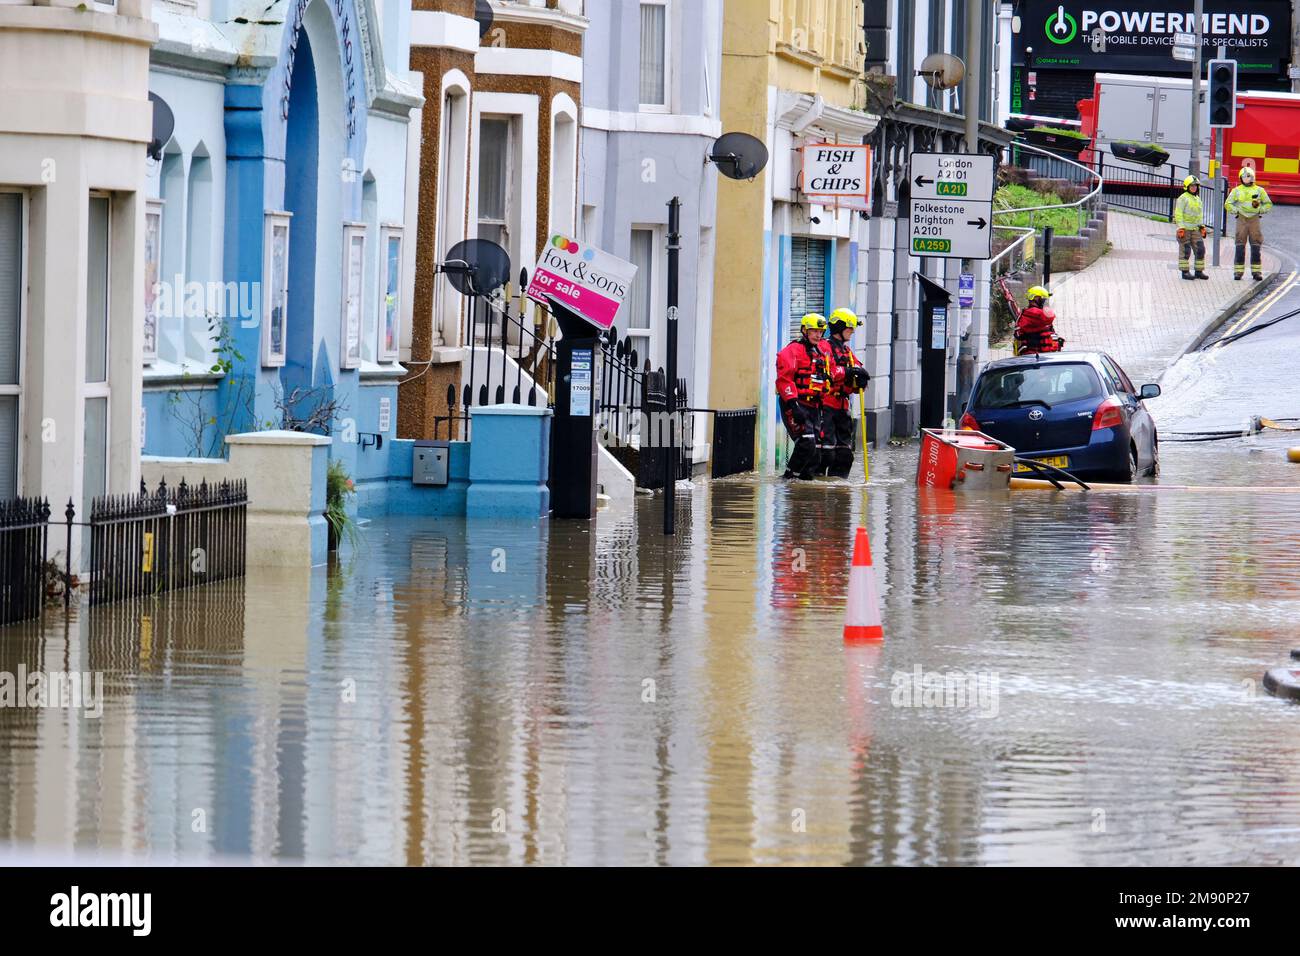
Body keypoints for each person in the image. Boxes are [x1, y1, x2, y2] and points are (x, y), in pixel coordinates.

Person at [775, 313, 841, 479]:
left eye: (821, 331)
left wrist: (851, 374)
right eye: (814, 331)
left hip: (815, 406)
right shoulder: (792, 351)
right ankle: (788, 480)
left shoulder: (823, 351)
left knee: (817, 453)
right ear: (804, 330)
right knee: (807, 443)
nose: (818, 335)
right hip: (795, 405)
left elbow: (832, 372)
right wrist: (793, 405)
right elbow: (784, 380)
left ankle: (804, 490)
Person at [819, 307, 871, 478]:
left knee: (845, 455)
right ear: (839, 327)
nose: (853, 332)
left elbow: (857, 371)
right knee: (826, 454)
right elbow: (830, 373)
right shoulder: (823, 347)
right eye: (850, 328)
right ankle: (816, 492)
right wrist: (848, 372)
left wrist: (861, 379)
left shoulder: (847, 352)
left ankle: (839, 494)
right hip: (825, 405)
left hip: (842, 407)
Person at [1225, 166, 1273, 281]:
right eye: (1246, 177)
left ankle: (1256, 272)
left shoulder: (1259, 190)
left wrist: (1260, 209)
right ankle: (1238, 272)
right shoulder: (1237, 190)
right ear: (1241, 178)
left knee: (1256, 245)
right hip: (1241, 219)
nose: (1248, 178)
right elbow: (1228, 203)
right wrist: (1235, 210)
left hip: (1254, 219)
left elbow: (1268, 204)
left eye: (1250, 176)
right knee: (1240, 245)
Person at [1174, 175, 1209, 280]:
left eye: (1195, 186)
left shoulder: (1197, 199)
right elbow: (1178, 213)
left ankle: (1199, 271)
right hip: (1185, 229)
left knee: (1200, 249)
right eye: (1192, 186)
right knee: (1186, 250)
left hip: (1195, 229)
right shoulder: (1183, 198)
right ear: (1187, 187)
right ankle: (1185, 272)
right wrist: (1181, 227)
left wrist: (1201, 226)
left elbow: (1199, 214)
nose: (1194, 187)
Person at [1014, 286, 1063, 355]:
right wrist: (1046, 307)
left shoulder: (1030, 312)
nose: (1044, 301)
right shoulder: (1034, 312)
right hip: (1034, 355)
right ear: (1036, 298)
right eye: (1043, 299)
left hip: (1037, 353)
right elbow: (1050, 316)